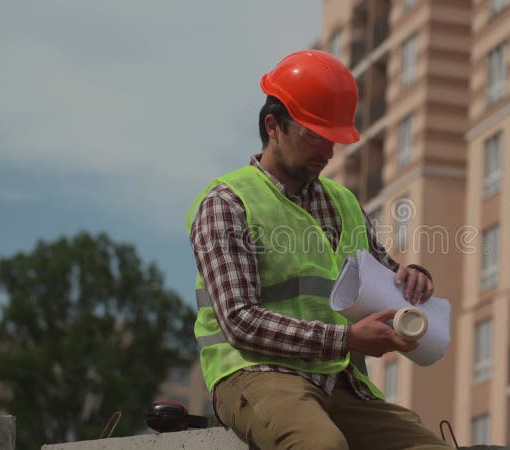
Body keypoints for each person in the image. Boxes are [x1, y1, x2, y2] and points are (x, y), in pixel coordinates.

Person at [186, 50, 451, 450]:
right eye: (314, 134)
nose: (327, 151)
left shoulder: (343, 203)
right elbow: (240, 322)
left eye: (334, 139)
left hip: (339, 382)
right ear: (273, 126)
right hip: (254, 374)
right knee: (321, 446)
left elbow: (381, 273)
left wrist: (411, 279)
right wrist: (348, 339)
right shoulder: (227, 203)